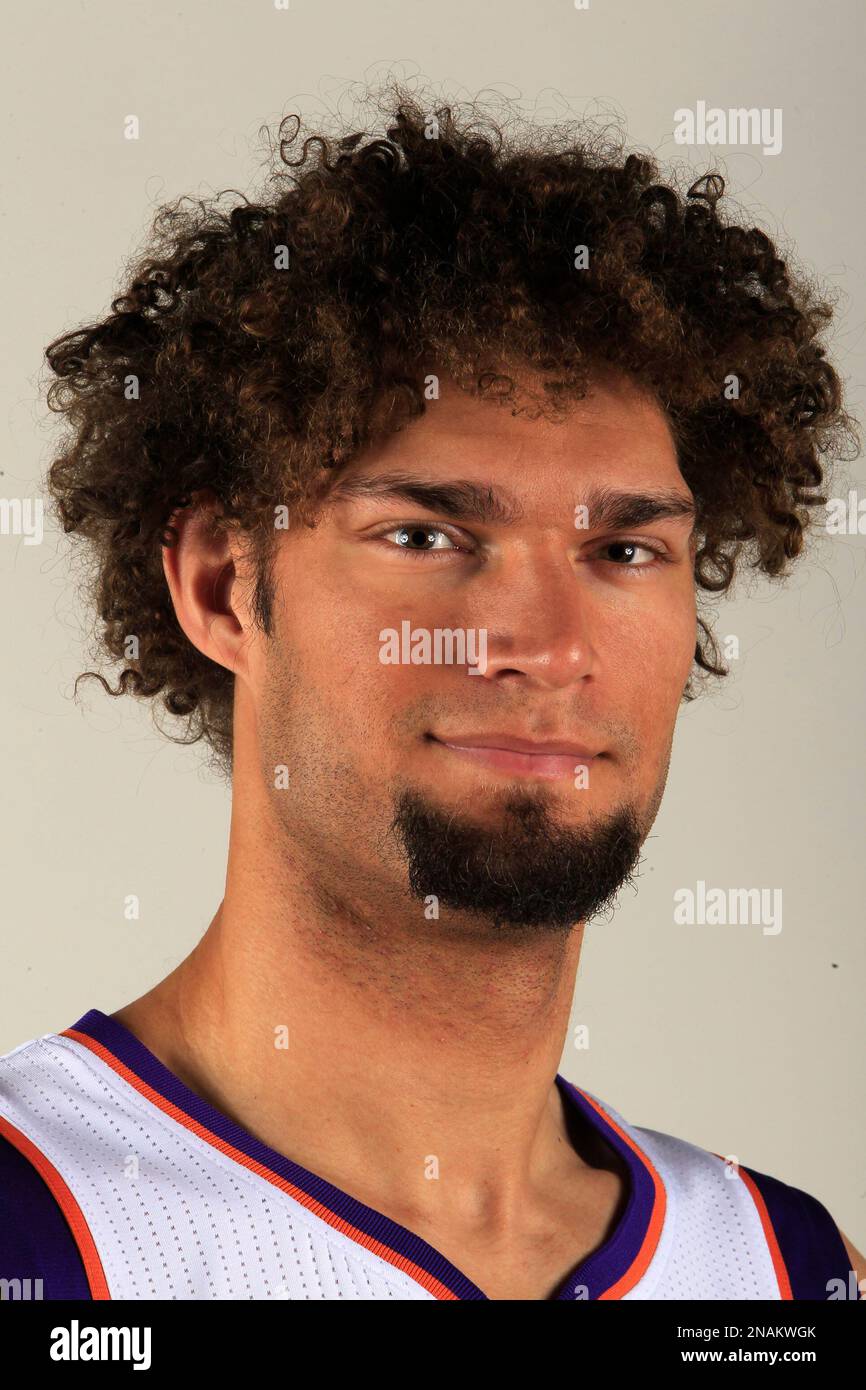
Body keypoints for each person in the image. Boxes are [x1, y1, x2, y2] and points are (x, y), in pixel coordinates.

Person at [1, 85, 862, 1301]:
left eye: (622, 550)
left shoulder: (783, 1274)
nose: (546, 647)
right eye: (425, 535)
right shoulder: (35, 1232)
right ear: (220, 585)